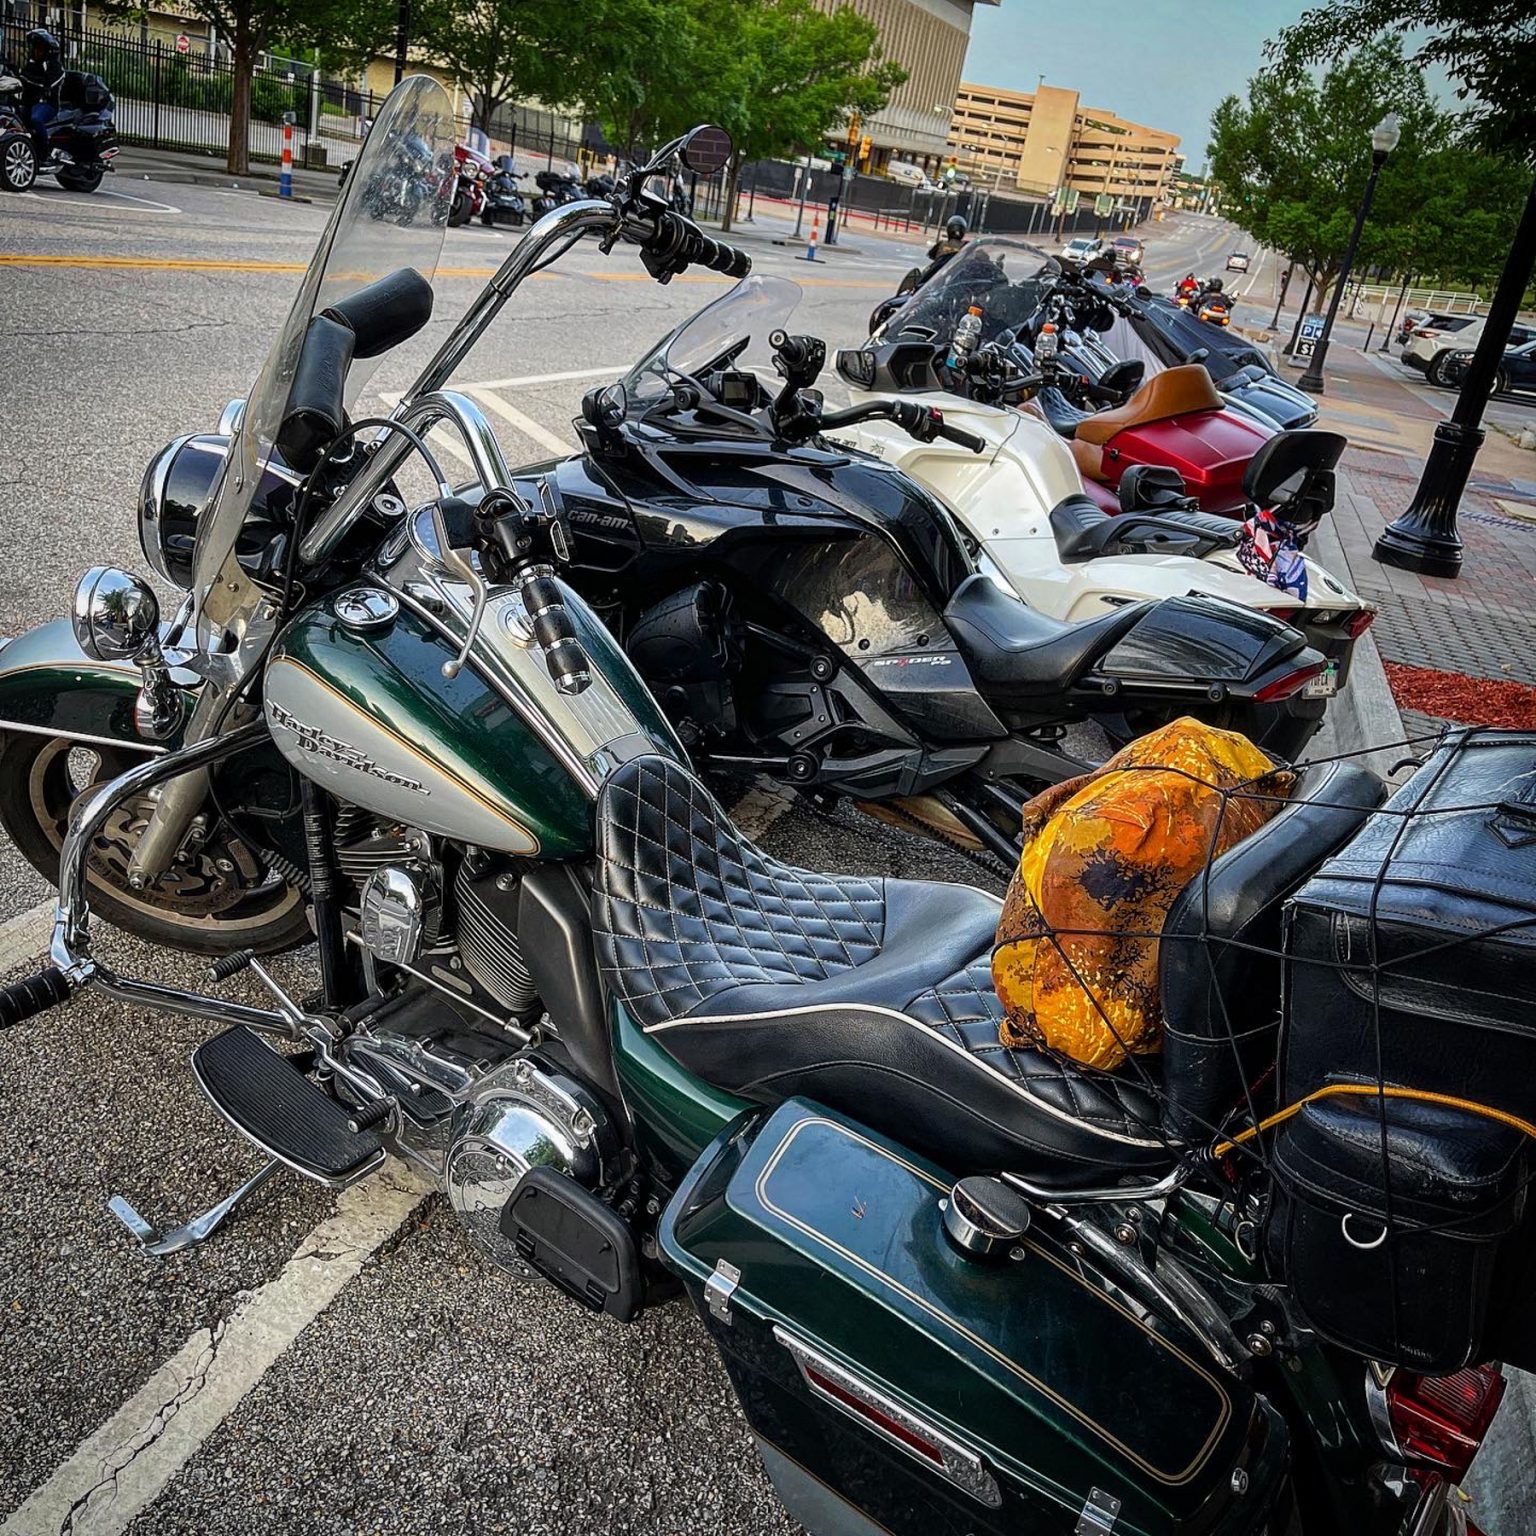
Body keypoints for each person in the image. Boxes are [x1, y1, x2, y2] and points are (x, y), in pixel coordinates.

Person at [18, 28, 64, 146]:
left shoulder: (56, 67)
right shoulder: (32, 65)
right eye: (35, 48)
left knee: (36, 119)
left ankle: (44, 149)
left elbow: (47, 84)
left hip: (47, 104)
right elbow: (21, 77)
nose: (37, 52)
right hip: (29, 103)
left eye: (40, 49)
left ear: (48, 51)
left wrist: (25, 77)